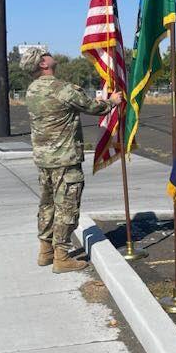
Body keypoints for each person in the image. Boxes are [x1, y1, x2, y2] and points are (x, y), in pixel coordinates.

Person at [22, 47, 122, 273]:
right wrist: (112, 101)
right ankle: (62, 257)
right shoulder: (62, 89)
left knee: (47, 205)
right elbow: (94, 108)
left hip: (44, 159)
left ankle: (45, 251)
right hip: (65, 160)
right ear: (42, 64)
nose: (50, 54)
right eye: (45, 54)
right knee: (67, 207)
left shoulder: (31, 90)